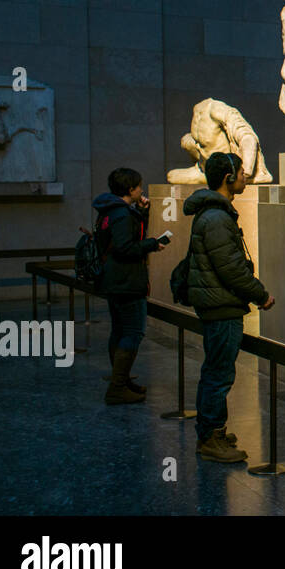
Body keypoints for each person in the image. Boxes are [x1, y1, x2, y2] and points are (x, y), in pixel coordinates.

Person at [185, 151, 275, 463]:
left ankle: (212, 431)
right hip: (221, 306)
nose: (245, 178)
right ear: (228, 177)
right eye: (241, 173)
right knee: (218, 374)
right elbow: (232, 268)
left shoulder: (214, 214)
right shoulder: (216, 218)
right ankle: (210, 437)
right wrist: (260, 295)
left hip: (217, 303)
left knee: (215, 370)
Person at [91, 167, 165, 405]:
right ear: (131, 189)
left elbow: (124, 238)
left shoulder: (109, 210)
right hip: (126, 281)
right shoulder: (122, 214)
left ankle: (121, 381)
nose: (141, 190)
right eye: (139, 186)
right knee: (133, 332)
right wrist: (152, 244)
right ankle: (117, 387)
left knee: (119, 330)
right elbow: (126, 247)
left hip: (113, 280)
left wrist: (141, 214)